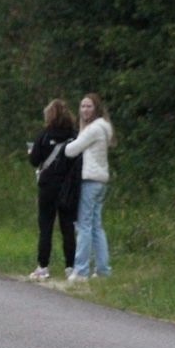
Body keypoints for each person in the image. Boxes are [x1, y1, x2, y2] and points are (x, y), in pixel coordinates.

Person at [64, 93, 115, 281]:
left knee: (84, 225)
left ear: (97, 109)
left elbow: (72, 150)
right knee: (96, 226)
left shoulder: (93, 129)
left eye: (89, 106)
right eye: (82, 106)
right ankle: (102, 269)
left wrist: (68, 145)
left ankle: (81, 270)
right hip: (101, 179)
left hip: (90, 179)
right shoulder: (105, 127)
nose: (85, 110)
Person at [26, 99, 77, 280]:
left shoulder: (44, 135)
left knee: (46, 226)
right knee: (68, 227)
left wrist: (32, 153)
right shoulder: (74, 135)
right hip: (68, 187)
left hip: (48, 186)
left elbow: (34, 161)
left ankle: (43, 266)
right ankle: (70, 266)